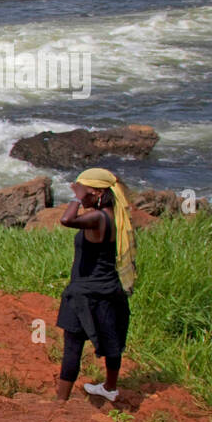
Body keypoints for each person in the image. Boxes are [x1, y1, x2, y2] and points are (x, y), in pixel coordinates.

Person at [54, 167, 137, 402]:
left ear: (98, 192)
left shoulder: (98, 218)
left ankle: (61, 401)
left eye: (83, 190)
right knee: (113, 341)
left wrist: (75, 199)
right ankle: (110, 388)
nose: (80, 193)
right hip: (110, 289)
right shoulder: (112, 216)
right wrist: (83, 194)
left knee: (73, 346)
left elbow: (66, 219)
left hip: (85, 293)